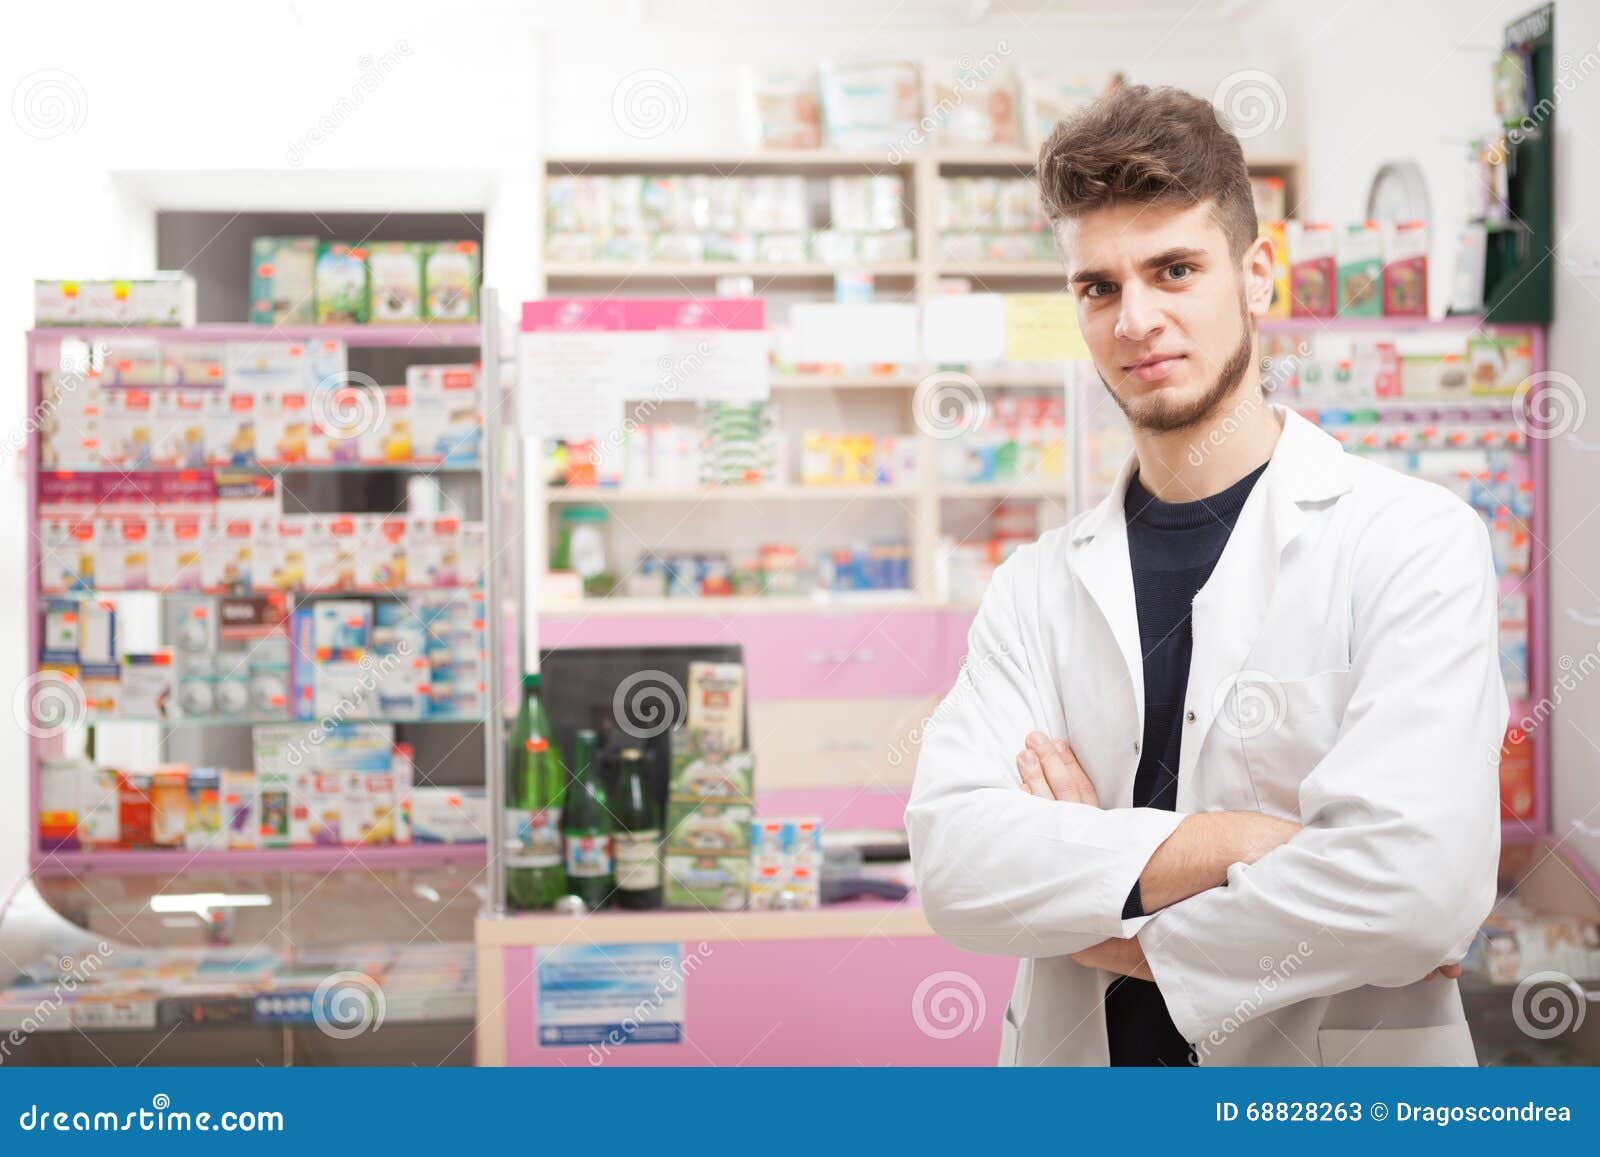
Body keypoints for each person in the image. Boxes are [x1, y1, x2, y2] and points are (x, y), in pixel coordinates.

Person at [905, 84, 1508, 1067]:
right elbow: (954, 863)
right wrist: (1232, 839)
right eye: (1097, 286)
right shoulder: (1033, 588)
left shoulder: (1409, 542)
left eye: (1173, 269)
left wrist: (1086, 893)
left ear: (1256, 273)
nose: (1136, 317)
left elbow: (1412, 892)